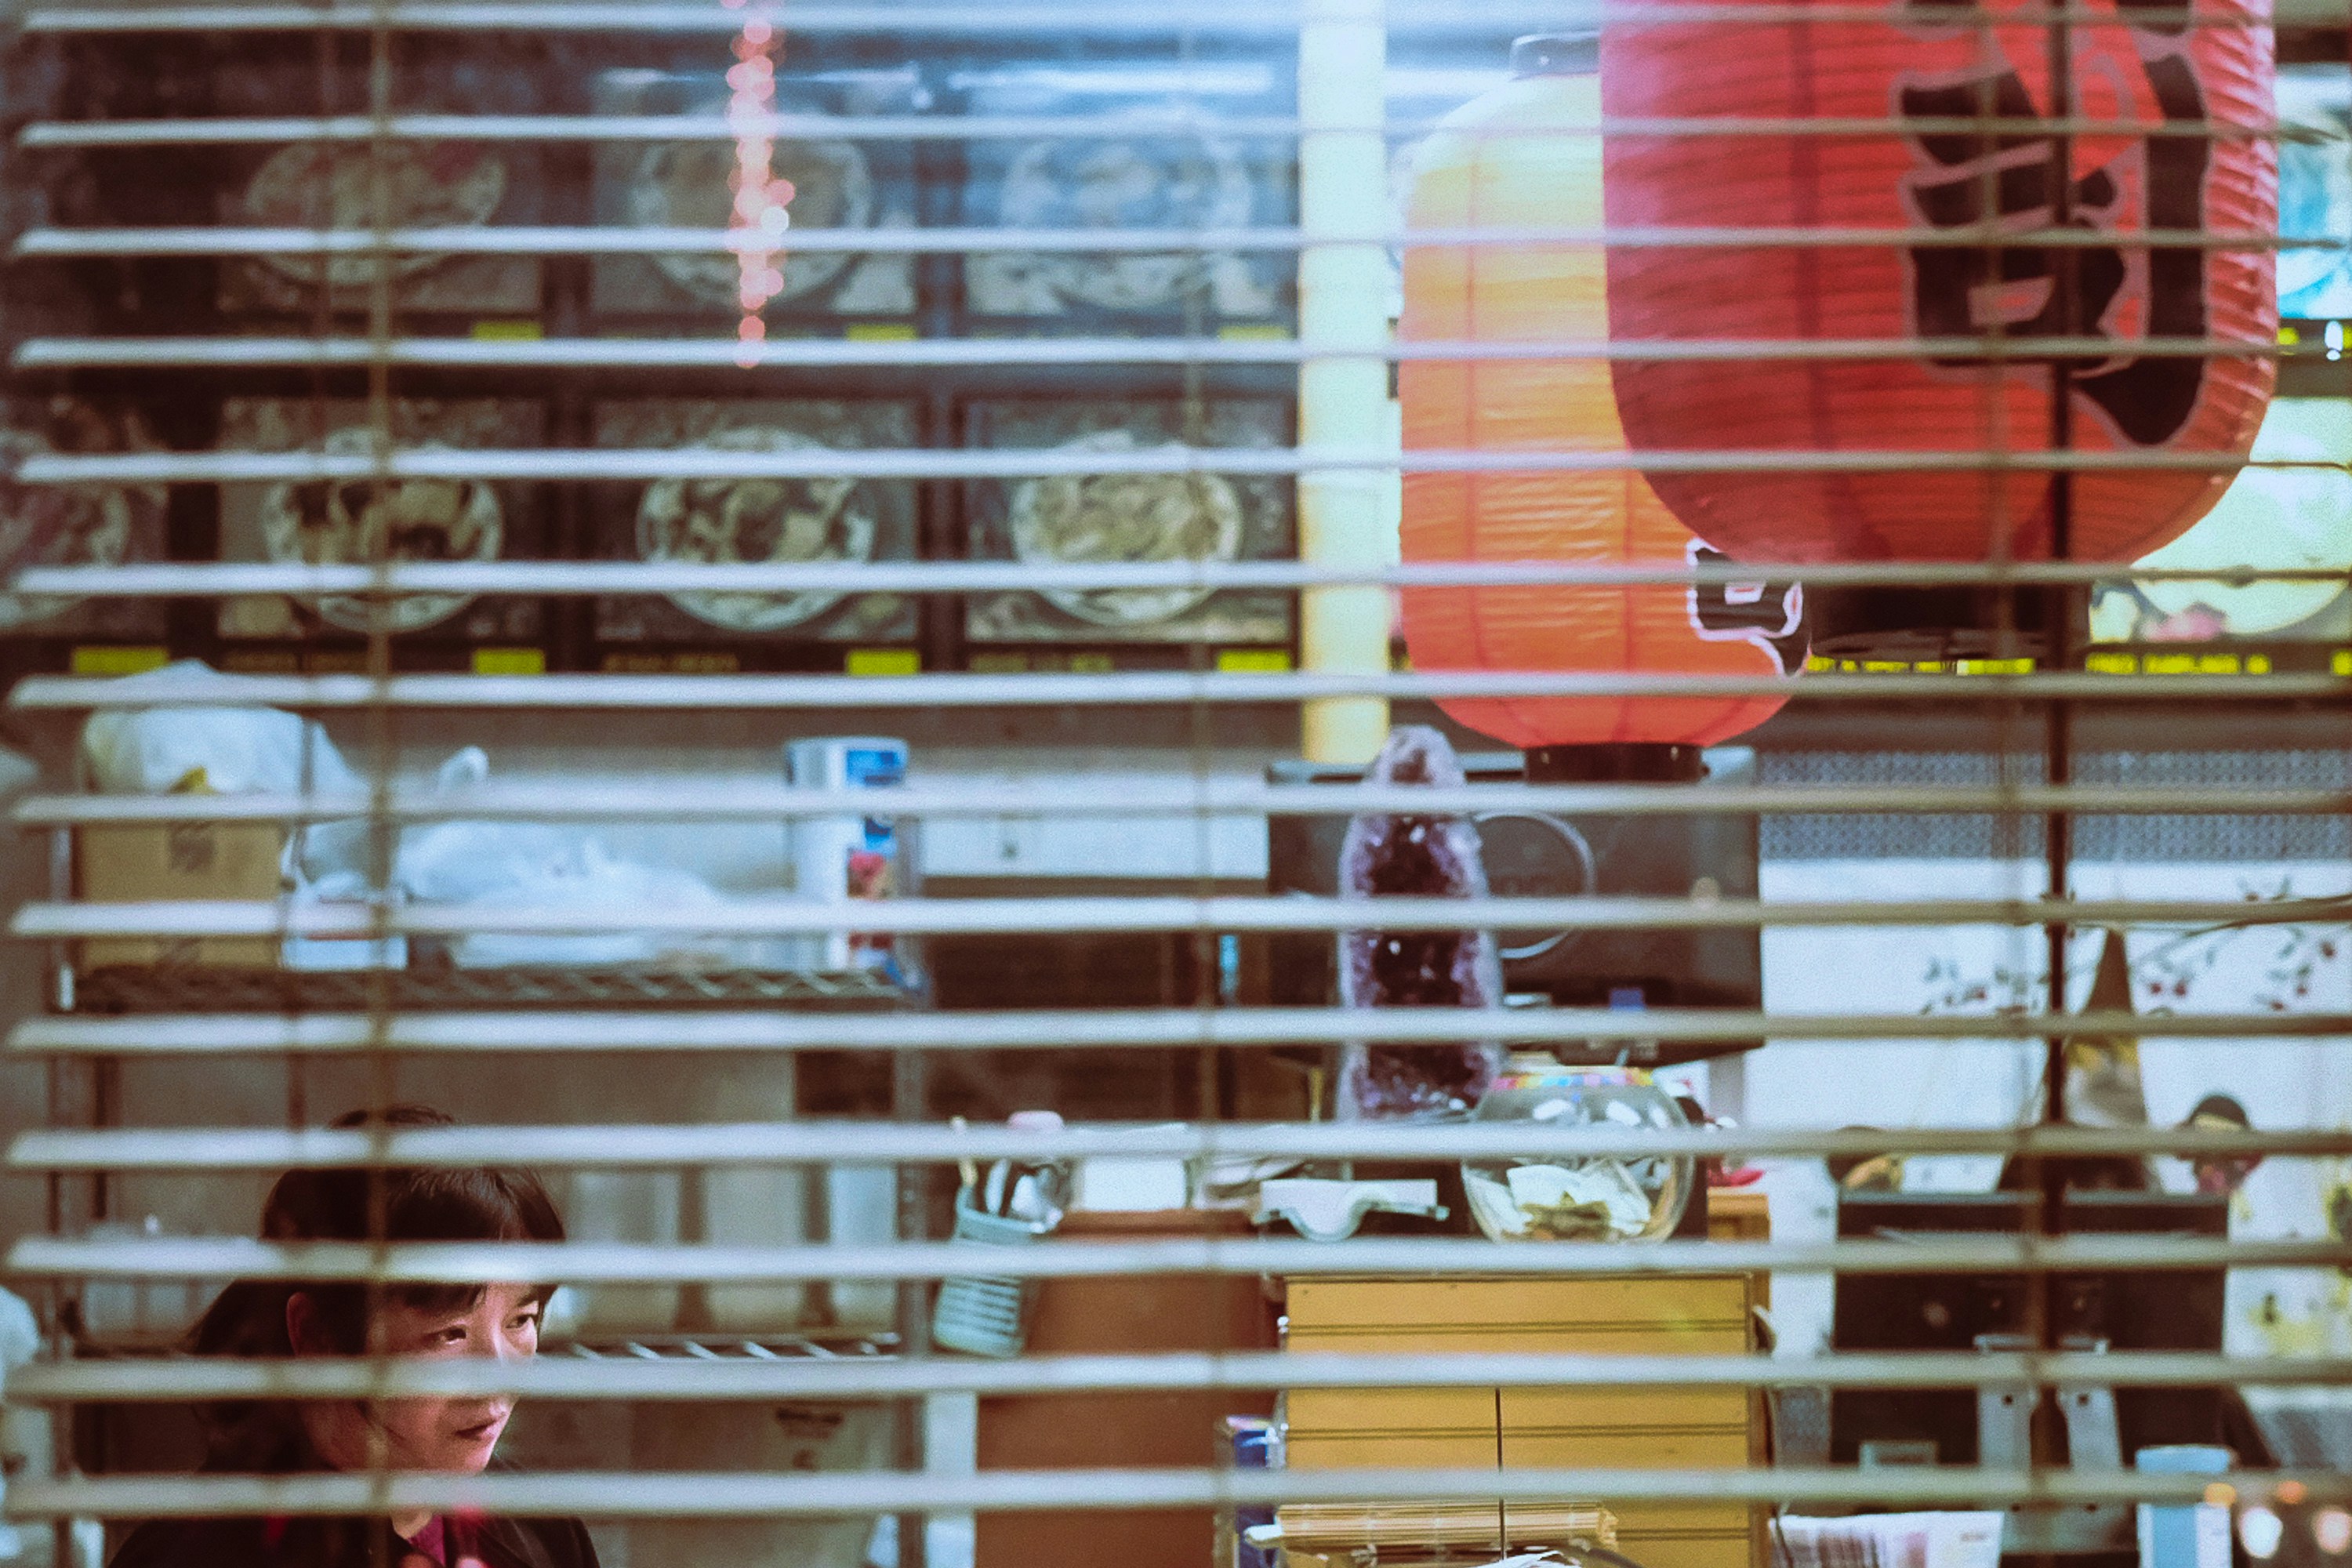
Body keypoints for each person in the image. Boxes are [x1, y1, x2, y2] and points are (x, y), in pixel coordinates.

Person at [108, 1105, 598, 1568]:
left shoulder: (542, 1528)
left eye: (520, 1320)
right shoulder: (200, 1552)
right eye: (450, 1334)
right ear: (316, 1335)